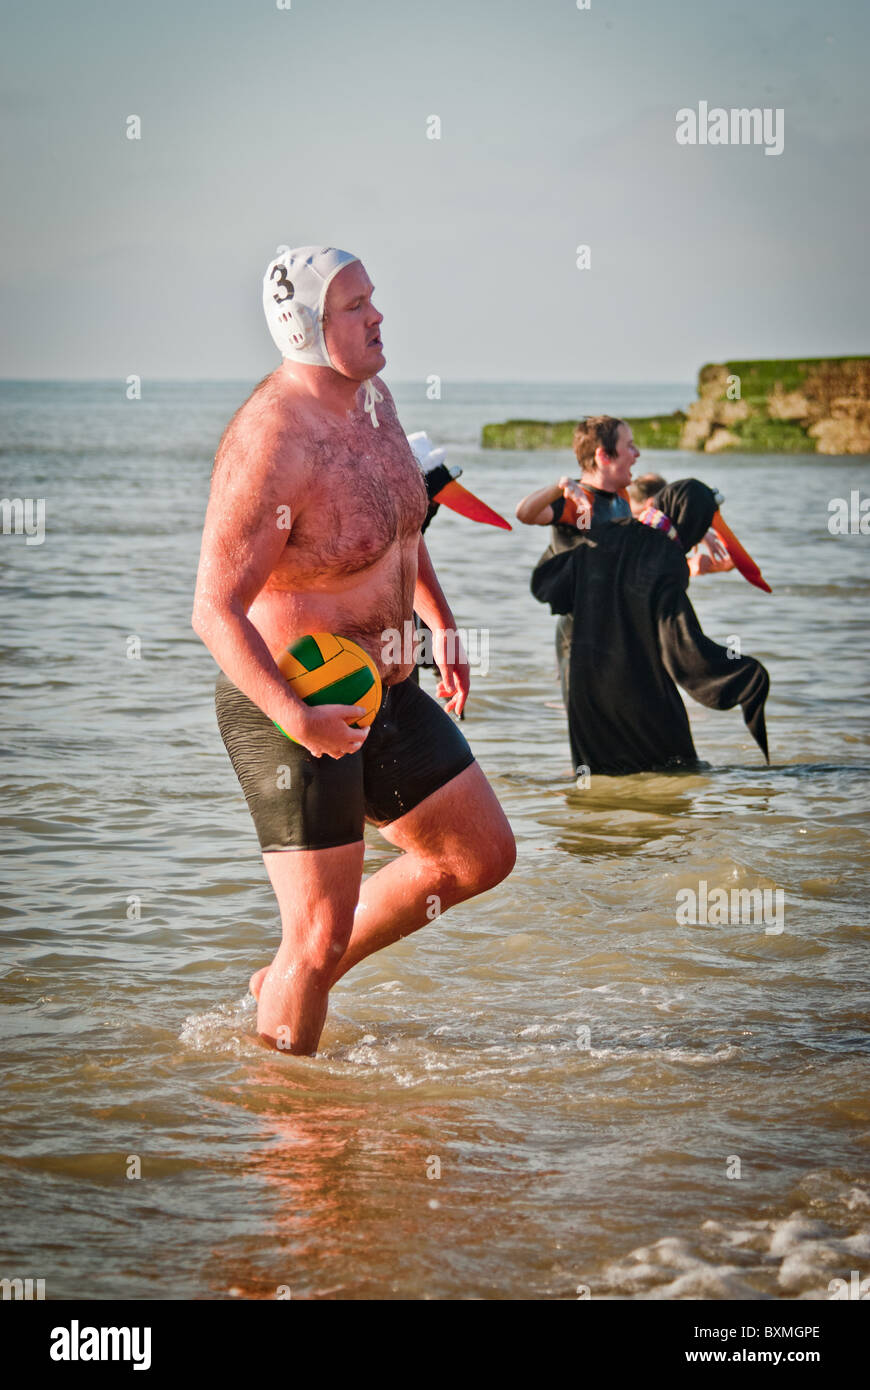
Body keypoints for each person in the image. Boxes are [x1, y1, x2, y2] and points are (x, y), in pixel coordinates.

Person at [191, 245, 515, 1055]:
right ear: (306, 329)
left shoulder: (375, 401)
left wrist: (438, 619)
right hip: (298, 695)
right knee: (317, 929)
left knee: (480, 855)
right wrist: (298, 718)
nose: (378, 315)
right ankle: (295, 1138)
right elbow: (213, 609)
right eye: (355, 306)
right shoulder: (273, 442)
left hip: (389, 686)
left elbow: (401, 522)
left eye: (372, 298)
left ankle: (297, 975)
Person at [530, 479, 770, 775]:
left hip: (586, 693)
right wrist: (743, 675)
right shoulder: (668, 557)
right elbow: (680, 646)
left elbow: (546, 586)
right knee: (677, 773)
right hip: (639, 697)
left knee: (597, 787)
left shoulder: (609, 533)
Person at [515, 415, 639, 705]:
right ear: (603, 455)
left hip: (616, 630)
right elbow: (525, 513)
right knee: (587, 726)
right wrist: (561, 488)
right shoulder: (576, 500)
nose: (637, 454)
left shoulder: (621, 496)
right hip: (579, 636)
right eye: (630, 446)